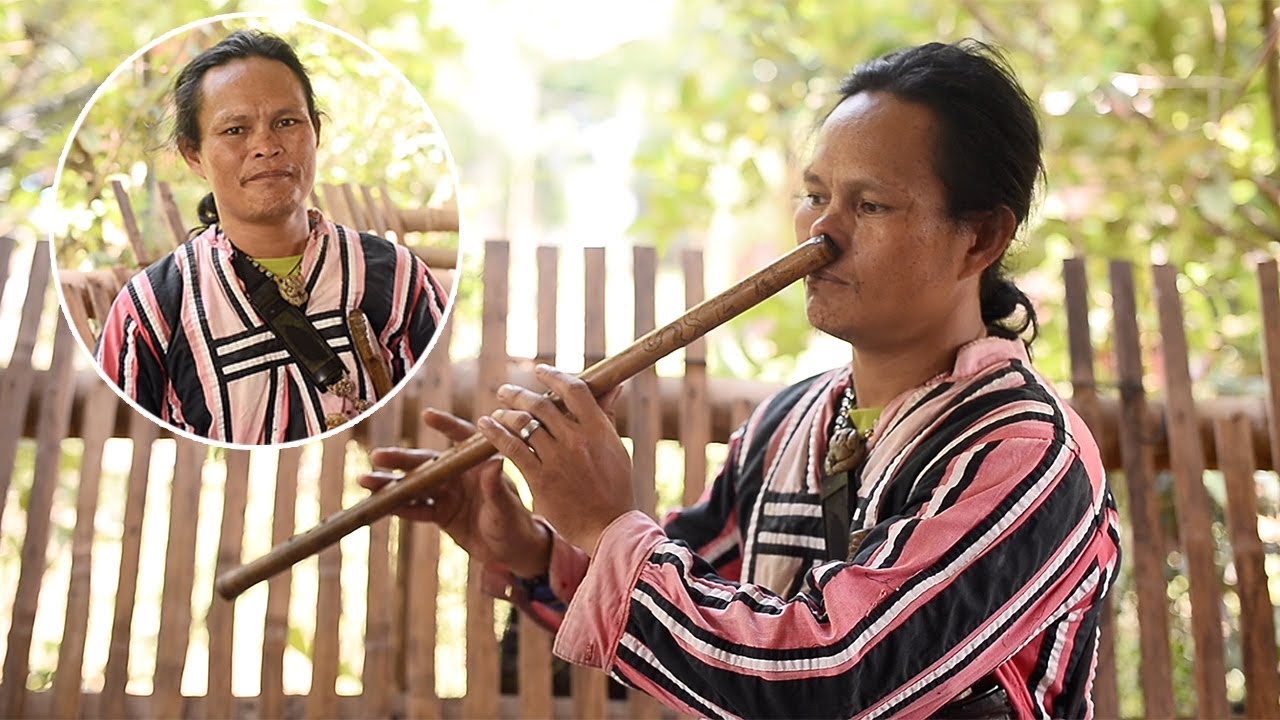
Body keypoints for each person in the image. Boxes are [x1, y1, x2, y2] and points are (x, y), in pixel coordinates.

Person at [363, 40, 1120, 719]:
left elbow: (830, 682)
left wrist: (607, 526)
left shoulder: (1027, 457)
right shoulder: (788, 424)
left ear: (980, 236)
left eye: (871, 204)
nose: (823, 231)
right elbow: (698, 650)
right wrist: (534, 547)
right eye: (817, 195)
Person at [95, 30, 449, 444]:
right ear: (194, 154)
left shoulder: (400, 279)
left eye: (286, 122)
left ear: (314, 131)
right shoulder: (150, 313)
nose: (266, 145)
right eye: (235, 130)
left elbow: (437, 422)